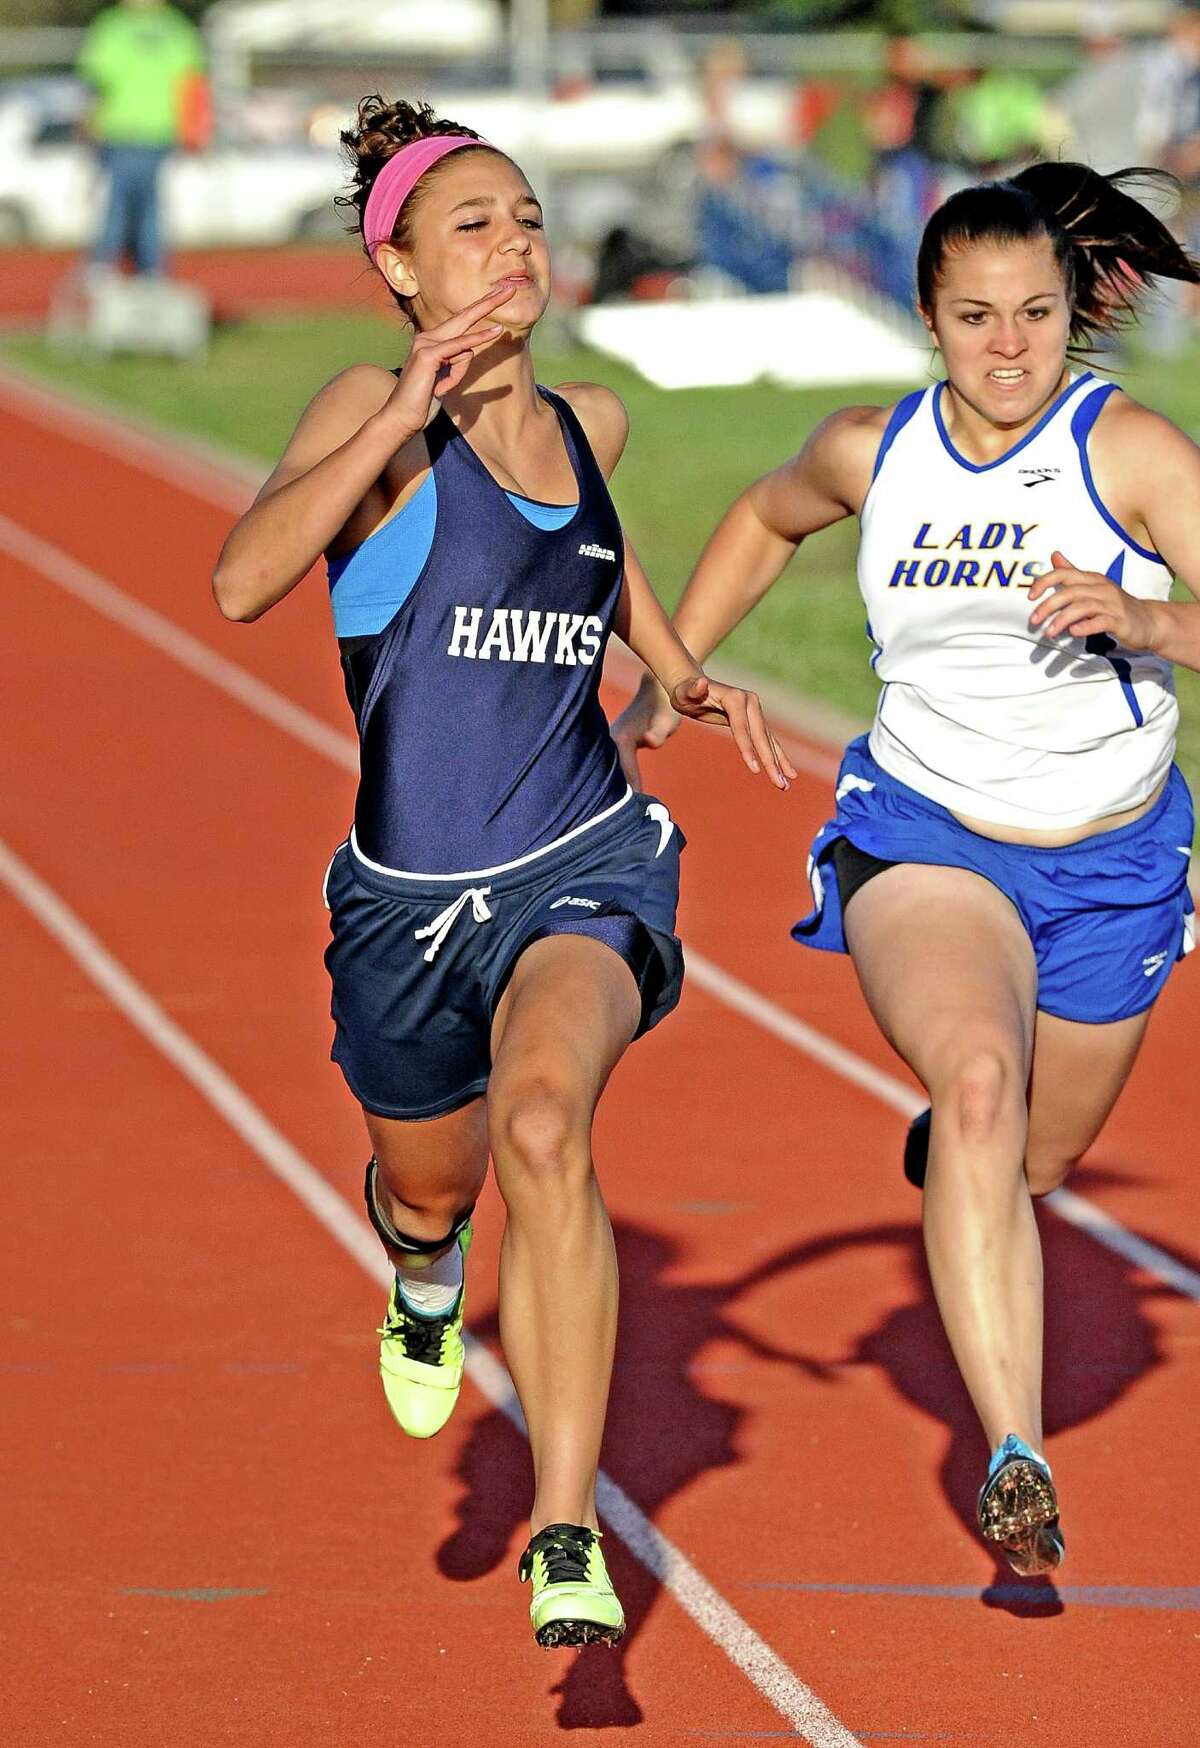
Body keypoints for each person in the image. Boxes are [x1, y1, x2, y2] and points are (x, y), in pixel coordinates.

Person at [211, 97, 791, 1647]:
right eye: (474, 223)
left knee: (547, 1123)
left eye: (528, 215)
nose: (514, 242)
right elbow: (243, 580)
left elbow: (586, 553)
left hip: (582, 856)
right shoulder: (370, 402)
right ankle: (417, 1266)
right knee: (437, 1177)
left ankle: (559, 1527)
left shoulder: (592, 420)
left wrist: (678, 666)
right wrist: (402, 413)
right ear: (397, 267)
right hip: (405, 901)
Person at [614, 160, 1200, 1578]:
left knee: (1030, 1156)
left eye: (1039, 315)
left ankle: (967, 1159)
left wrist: (1147, 616)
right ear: (928, 318)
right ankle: (1016, 1452)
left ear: (1074, 316)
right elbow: (761, 519)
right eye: (979, 317)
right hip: (925, 833)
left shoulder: (1131, 454)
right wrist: (674, 677)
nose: (1010, 348)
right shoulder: (873, 453)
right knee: (984, 1087)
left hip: (1114, 861)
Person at [77, 0, 207, 278]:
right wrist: (194, 131)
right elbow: (192, 86)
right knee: (148, 201)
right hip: (159, 130)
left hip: (121, 128)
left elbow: (96, 82)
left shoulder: (112, 25)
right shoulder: (179, 28)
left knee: (120, 199)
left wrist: (88, 124)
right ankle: (150, 268)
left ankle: (106, 263)